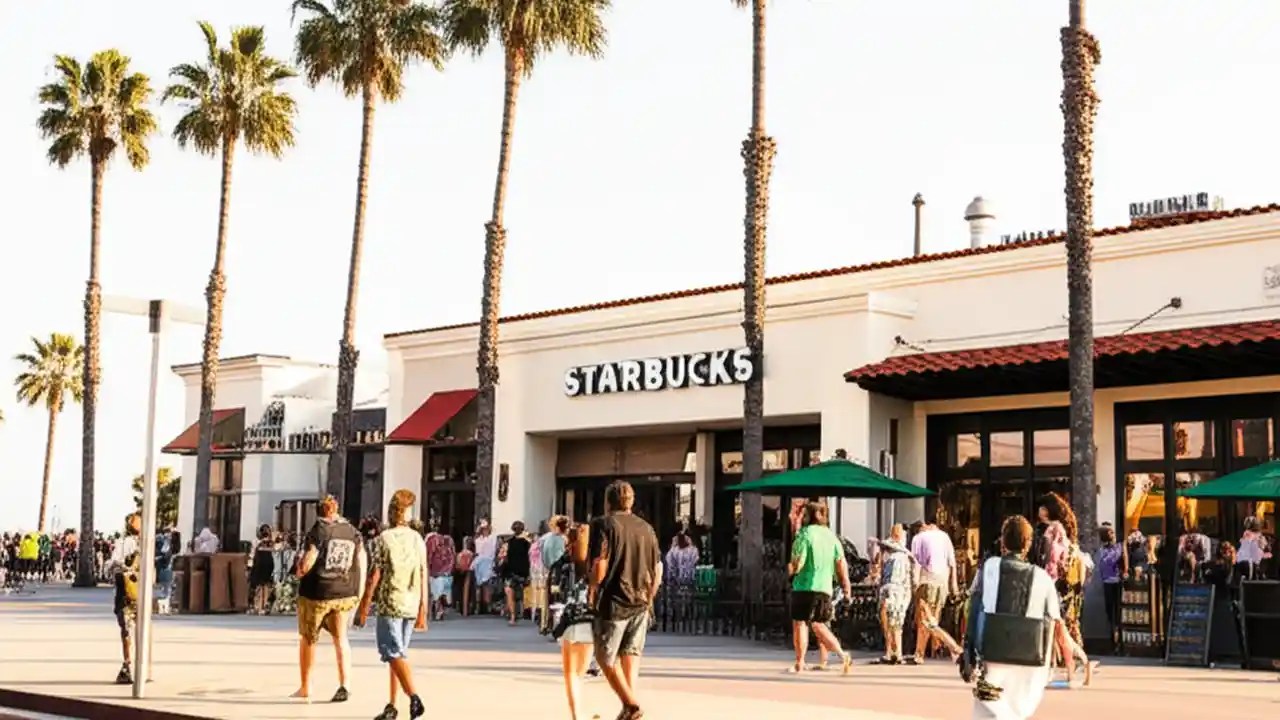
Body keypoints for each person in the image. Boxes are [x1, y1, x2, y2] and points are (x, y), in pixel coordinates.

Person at [961, 515, 1062, 720]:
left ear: (1003, 542)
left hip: (993, 652)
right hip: (1029, 659)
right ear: (1029, 544)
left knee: (988, 710)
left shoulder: (989, 567)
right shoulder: (1042, 578)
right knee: (1014, 712)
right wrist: (1050, 665)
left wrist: (968, 649)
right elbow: (1053, 623)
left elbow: (974, 606)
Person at [589, 480, 662, 720]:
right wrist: (650, 596)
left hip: (614, 600)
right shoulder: (647, 528)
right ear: (631, 501)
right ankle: (628, 708)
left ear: (607, 501)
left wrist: (592, 587)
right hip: (641, 600)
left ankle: (631, 705)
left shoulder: (604, 524)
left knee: (604, 657)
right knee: (630, 654)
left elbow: (601, 563)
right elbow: (658, 568)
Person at [356, 489, 428, 720]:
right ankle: (392, 705)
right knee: (399, 656)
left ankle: (414, 697)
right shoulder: (417, 539)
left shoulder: (382, 539)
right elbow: (423, 572)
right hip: (411, 601)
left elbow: (374, 575)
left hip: (390, 602)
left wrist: (364, 606)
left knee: (391, 652)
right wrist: (423, 609)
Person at [294, 495, 364, 703]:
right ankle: (345, 684)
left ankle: (306, 686)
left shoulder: (318, 530)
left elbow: (310, 559)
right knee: (341, 638)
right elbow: (361, 558)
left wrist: (300, 570)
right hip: (344, 591)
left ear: (320, 511)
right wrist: (358, 593)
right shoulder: (352, 532)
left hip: (318, 593)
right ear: (336, 509)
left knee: (309, 638)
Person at [788, 501, 853, 675]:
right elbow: (841, 563)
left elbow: (799, 560)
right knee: (820, 624)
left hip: (804, 585)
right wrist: (845, 584)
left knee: (800, 623)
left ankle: (800, 662)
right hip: (825, 586)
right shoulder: (832, 537)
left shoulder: (805, 534)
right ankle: (841, 654)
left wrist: (791, 570)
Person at [554, 521, 596, 720]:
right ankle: (580, 713)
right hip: (590, 619)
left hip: (570, 619)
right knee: (580, 672)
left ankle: (577, 714)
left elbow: (558, 590)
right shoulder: (595, 564)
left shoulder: (566, 564)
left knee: (570, 674)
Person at [907, 515, 963, 664]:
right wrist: (954, 587)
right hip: (942, 583)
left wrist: (914, 585)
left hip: (926, 581)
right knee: (932, 619)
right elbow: (952, 563)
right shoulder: (945, 537)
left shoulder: (919, 538)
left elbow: (916, 564)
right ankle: (921, 653)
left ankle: (953, 647)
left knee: (924, 620)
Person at [875, 524, 916, 665]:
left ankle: (890, 651)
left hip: (889, 589)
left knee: (889, 622)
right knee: (897, 623)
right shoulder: (904, 555)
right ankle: (896, 653)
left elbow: (880, 572)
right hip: (899, 591)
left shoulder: (888, 553)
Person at [110, 514, 142, 684]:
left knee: (127, 630)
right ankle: (132, 664)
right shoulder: (132, 543)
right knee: (132, 630)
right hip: (134, 592)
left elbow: (113, 564)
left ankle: (129, 664)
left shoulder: (125, 543)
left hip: (127, 593)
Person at [1096, 525, 1125, 645]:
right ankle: (1113, 634)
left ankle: (1118, 634)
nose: (1114, 535)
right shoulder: (1104, 551)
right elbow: (1105, 563)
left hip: (1117, 581)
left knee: (1118, 609)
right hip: (1108, 582)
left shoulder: (1118, 547)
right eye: (1111, 533)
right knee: (1110, 610)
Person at [501, 521, 532, 625]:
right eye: (516, 528)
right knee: (510, 592)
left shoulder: (526, 542)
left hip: (520, 572)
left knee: (512, 592)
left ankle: (515, 614)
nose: (517, 530)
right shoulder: (510, 542)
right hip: (515, 571)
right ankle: (513, 615)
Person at [424, 522, 456, 621]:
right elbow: (453, 555)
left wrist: (427, 567)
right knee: (442, 592)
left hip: (436, 571)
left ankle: (437, 609)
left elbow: (429, 555)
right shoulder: (449, 540)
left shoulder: (430, 539)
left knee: (435, 593)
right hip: (446, 571)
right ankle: (440, 609)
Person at [250, 524, 276, 615]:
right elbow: (277, 549)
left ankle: (257, 606)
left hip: (259, 564)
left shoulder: (257, 543)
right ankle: (263, 606)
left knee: (258, 586)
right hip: (268, 564)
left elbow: (253, 554)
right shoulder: (271, 543)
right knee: (265, 586)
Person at [473, 521, 497, 613]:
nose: (485, 531)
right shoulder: (478, 539)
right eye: (483, 529)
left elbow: (493, 550)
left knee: (487, 584)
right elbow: (477, 550)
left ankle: (488, 605)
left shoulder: (492, 538)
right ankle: (479, 606)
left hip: (488, 562)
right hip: (480, 562)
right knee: (478, 584)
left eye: (486, 529)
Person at [455, 536, 475, 617]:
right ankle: (466, 610)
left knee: (461, 590)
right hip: (467, 572)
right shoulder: (471, 554)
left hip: (461, 572)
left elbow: (457, 564)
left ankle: (463, 609)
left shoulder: (460, 554)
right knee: (468, 591)